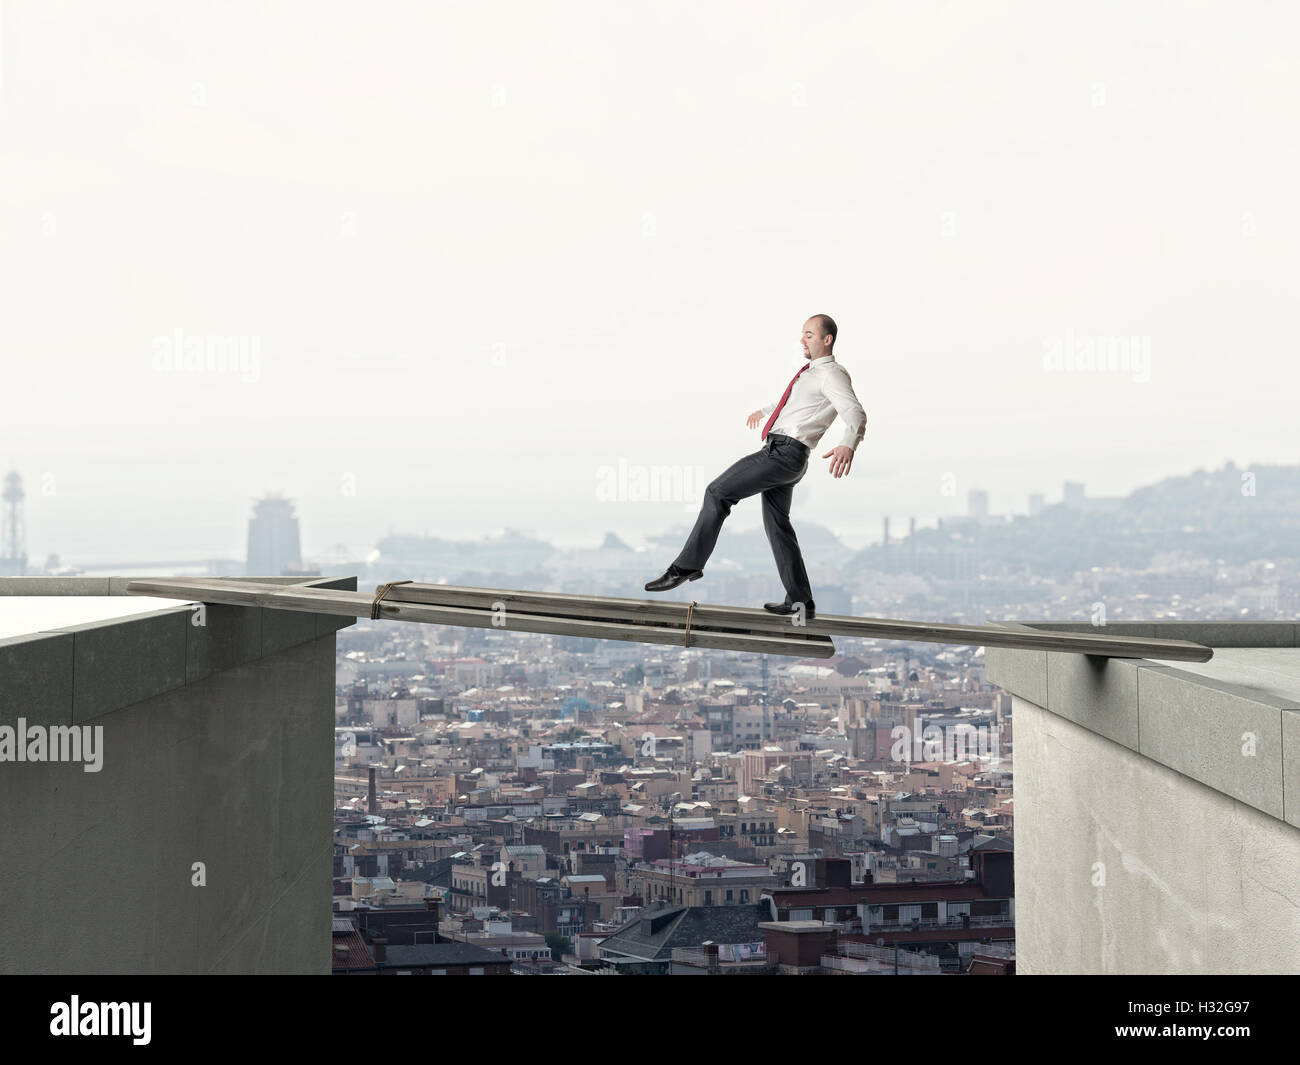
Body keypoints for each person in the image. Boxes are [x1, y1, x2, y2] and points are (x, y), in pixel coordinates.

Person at [644, 314, 866, 622]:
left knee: (717, 492)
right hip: (784, 452)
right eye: (802, 334)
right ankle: (800, 602)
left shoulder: (832, 374)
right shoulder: (811, 374)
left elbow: (854, 411)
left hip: (784, 454)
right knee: (778, 526)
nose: (803, 339)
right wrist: (766, 411)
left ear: (827, 340)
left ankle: (686, 566)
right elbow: (796, 405)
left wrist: (848, 443)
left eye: (810, 335)